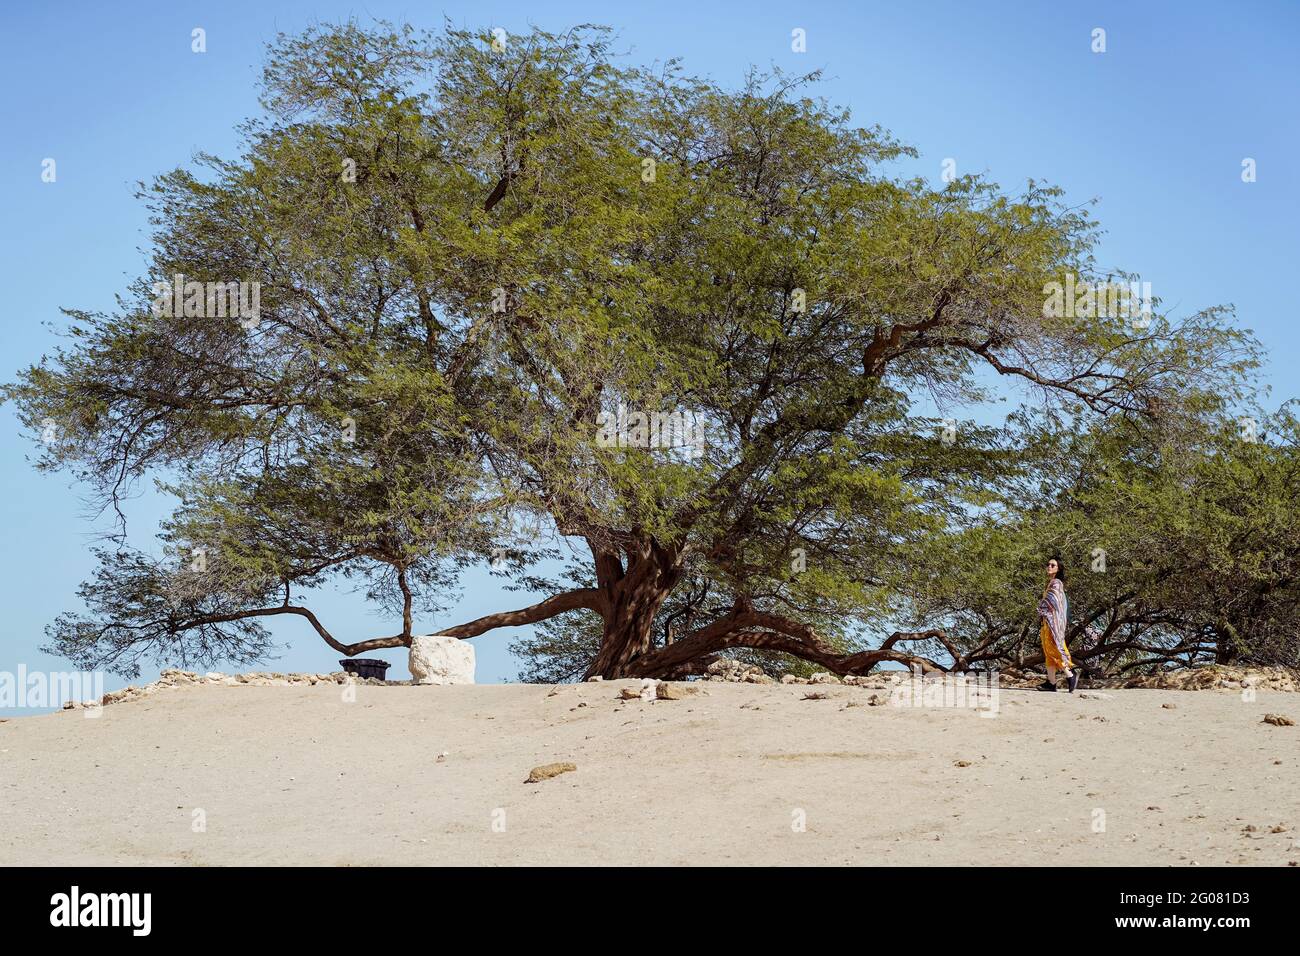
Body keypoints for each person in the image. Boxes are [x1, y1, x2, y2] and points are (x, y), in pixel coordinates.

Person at [1037, 555, 1078, 693]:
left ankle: (1070, 675)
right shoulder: (1050, 583)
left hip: (1053, 622)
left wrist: (1042, 606)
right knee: (1048, 651)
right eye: (1048, 564)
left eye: (1052, 565)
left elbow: (1053, 601)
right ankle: (1051, 682)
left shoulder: (1057, 583)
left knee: (1054, 649)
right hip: (1046, 622)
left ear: (1058, 569)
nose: (1049, 567)